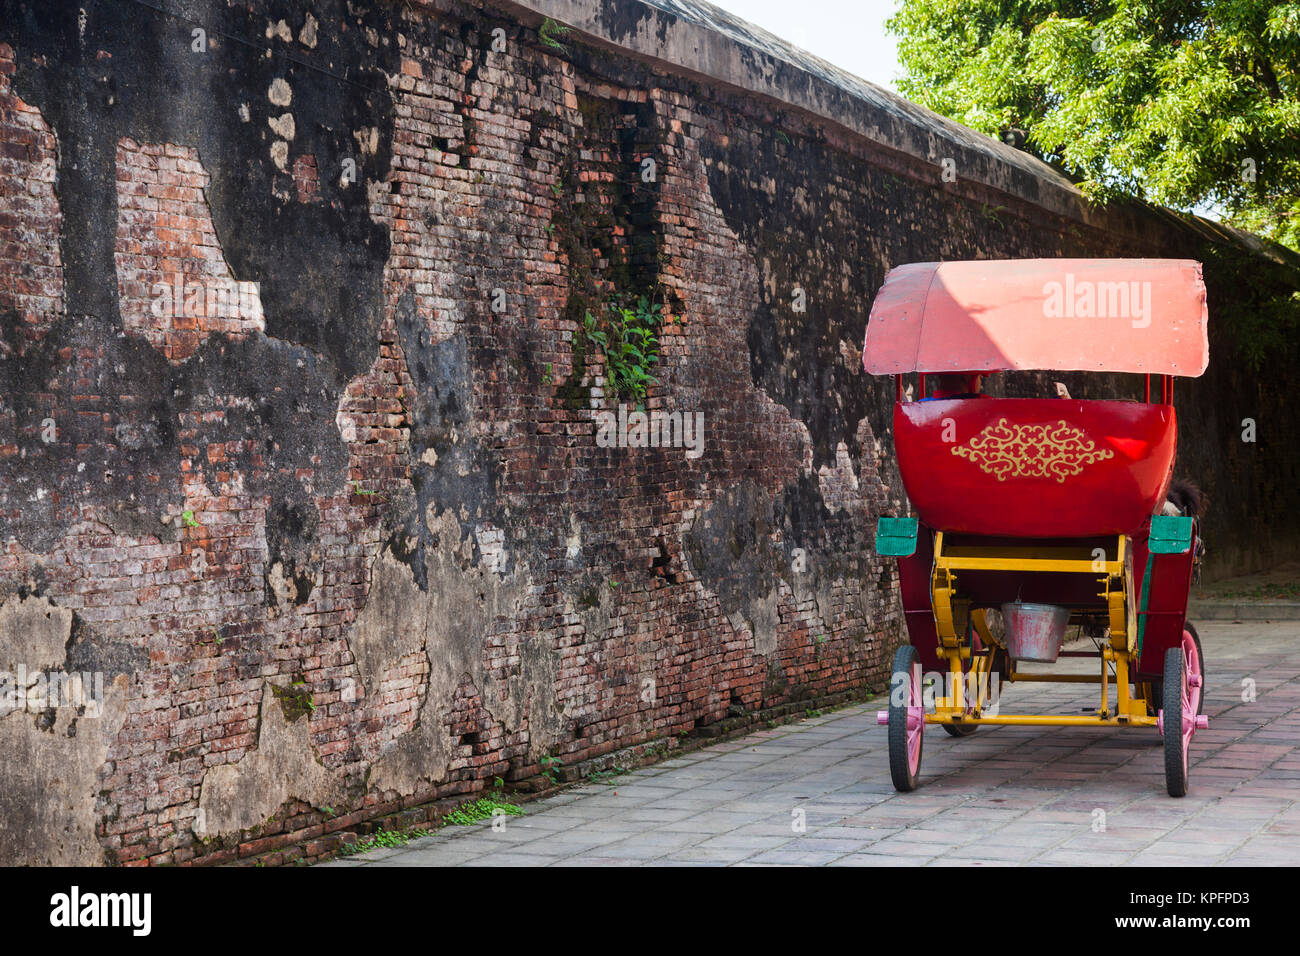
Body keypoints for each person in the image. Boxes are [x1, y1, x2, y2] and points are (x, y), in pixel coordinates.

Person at [920, 371, 988, 401]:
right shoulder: (985, 402)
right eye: (980, 377)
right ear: (967, 377)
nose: (980, 382)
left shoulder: (920, 406)